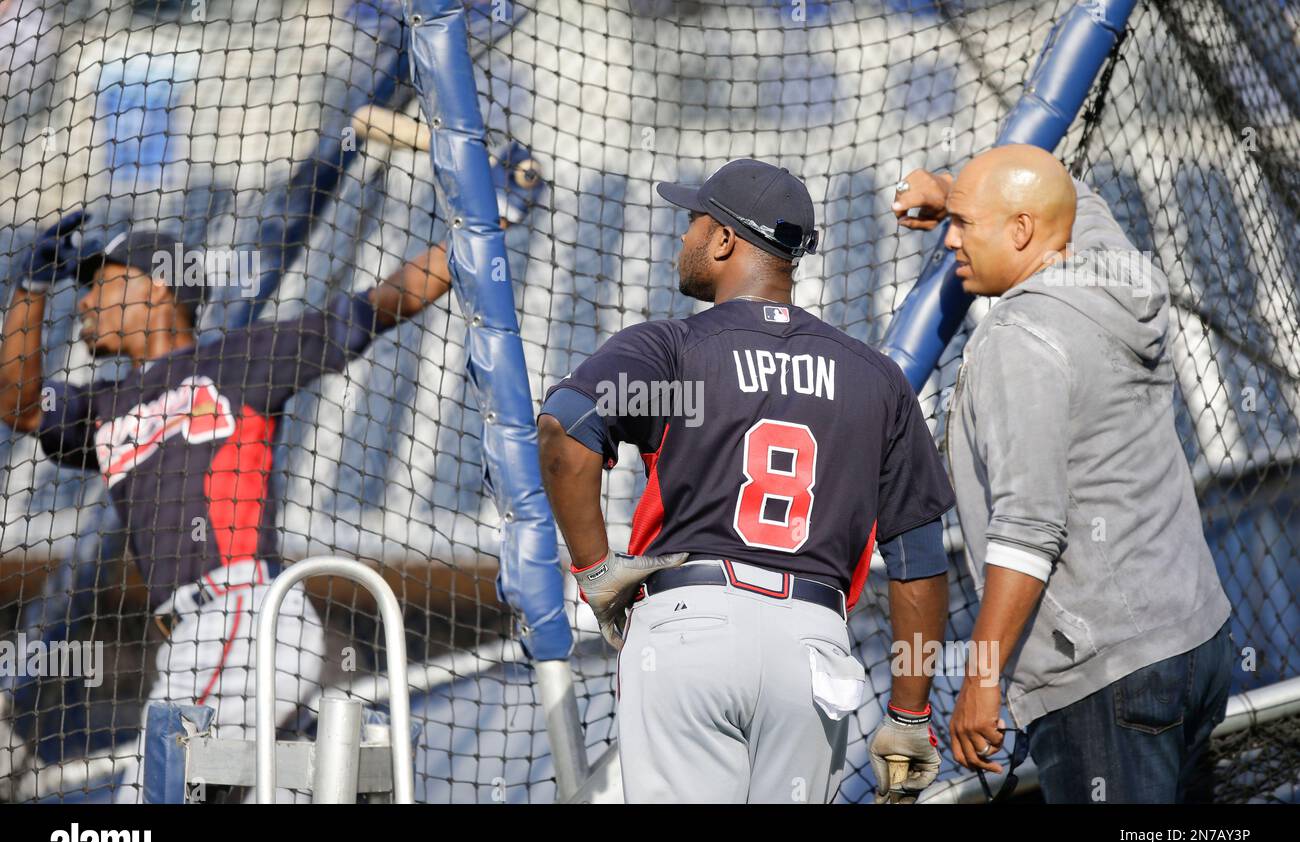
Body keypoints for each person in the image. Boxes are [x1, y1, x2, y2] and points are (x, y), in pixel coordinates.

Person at [0, 143, 543, 802]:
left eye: (104, 282)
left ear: (158, 286)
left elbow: (382, 304)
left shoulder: (241, 358)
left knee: (148, 803)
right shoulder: (103, 408)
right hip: (198, 641)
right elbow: (18, 404)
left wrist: (490, 222)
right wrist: (29, 293)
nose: (85, 302)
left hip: (244, 618)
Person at [537, 159, 954, 803]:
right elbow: (919, 560)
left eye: (694, 222)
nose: (684, 238)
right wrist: (909, 716)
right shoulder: (876, 377)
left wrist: (594, 573)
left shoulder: (671, 349)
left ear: (726, 240)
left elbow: (563, 436)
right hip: (813, 647)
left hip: (691, 626)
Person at [892, 144, 1232, 803]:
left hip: (1105, 678)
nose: (950, 240)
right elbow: (1075, 198)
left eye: (964, 224)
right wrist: (949, 187)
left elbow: (1028, 527)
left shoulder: (1020, 338)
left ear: (1022, 230)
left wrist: (982, 677)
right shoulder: (1120, 272)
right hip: (1198, 638)